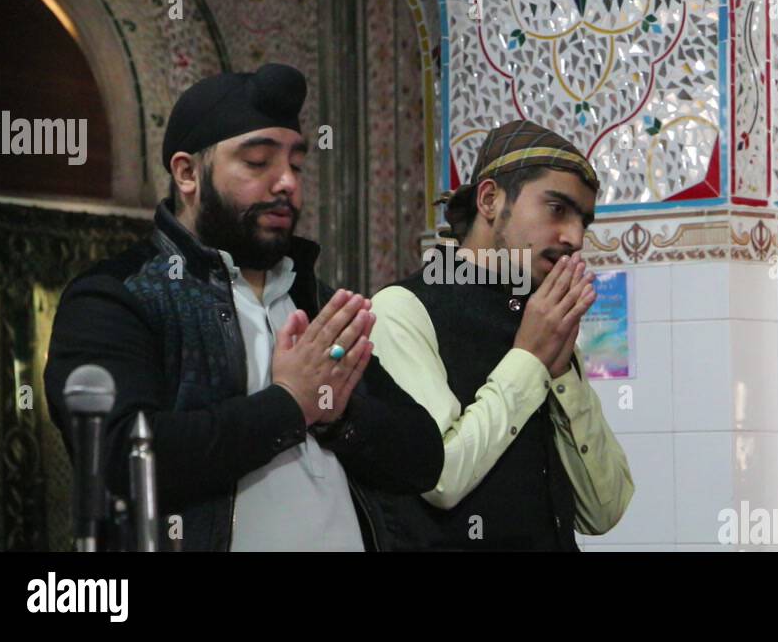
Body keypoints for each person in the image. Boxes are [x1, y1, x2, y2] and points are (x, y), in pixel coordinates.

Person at [44, 63, 443, 551]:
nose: (287, 184)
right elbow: (119, 458)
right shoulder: (117, 295)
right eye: (258, 162)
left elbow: (423, 458)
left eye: (296, 165)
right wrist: (288, 404)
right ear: (187, 173)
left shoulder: (312, 300)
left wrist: (337, 418)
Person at [369, 119, 633, 550]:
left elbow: (604, 510)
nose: (574, 238)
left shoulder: (539, 319)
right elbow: (440, 477)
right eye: (557, 209)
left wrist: (562, 369)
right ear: (490, 199)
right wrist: (529, 361)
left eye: (584, 221)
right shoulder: (402, 311)